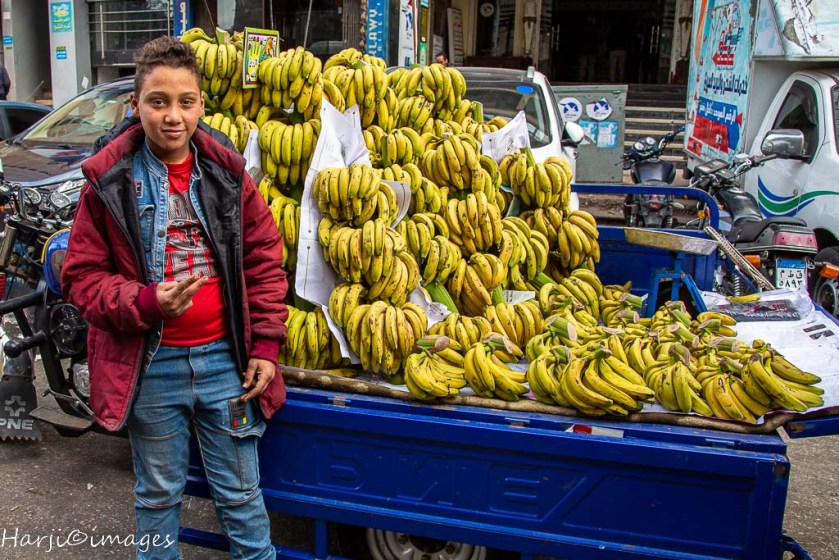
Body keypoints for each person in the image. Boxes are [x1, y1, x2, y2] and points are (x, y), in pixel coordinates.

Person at [61, 35, 288, 560]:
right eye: (157, 102)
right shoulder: (110, 181)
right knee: (158, 495)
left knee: (241, 496)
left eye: (185, 102)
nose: (172, 116)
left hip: (225, 363)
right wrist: (146, 303)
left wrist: (265, 346)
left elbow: (262, 261)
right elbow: (83, 277)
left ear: (201, 105)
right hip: (152, 365)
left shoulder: (228, 175)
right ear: (135, 104)